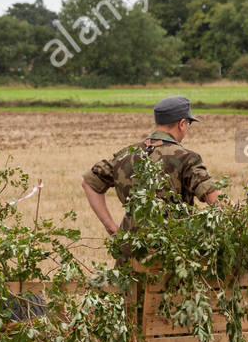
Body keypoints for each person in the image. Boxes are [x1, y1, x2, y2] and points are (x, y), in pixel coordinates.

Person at [81, 95, 220, 236]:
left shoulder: (125, 154)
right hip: (172, 248)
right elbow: (215, 199)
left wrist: (111, 226)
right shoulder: (186, 158)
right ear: (182, 123)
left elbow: (89, 183)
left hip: (130, 248)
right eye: (189, 124)